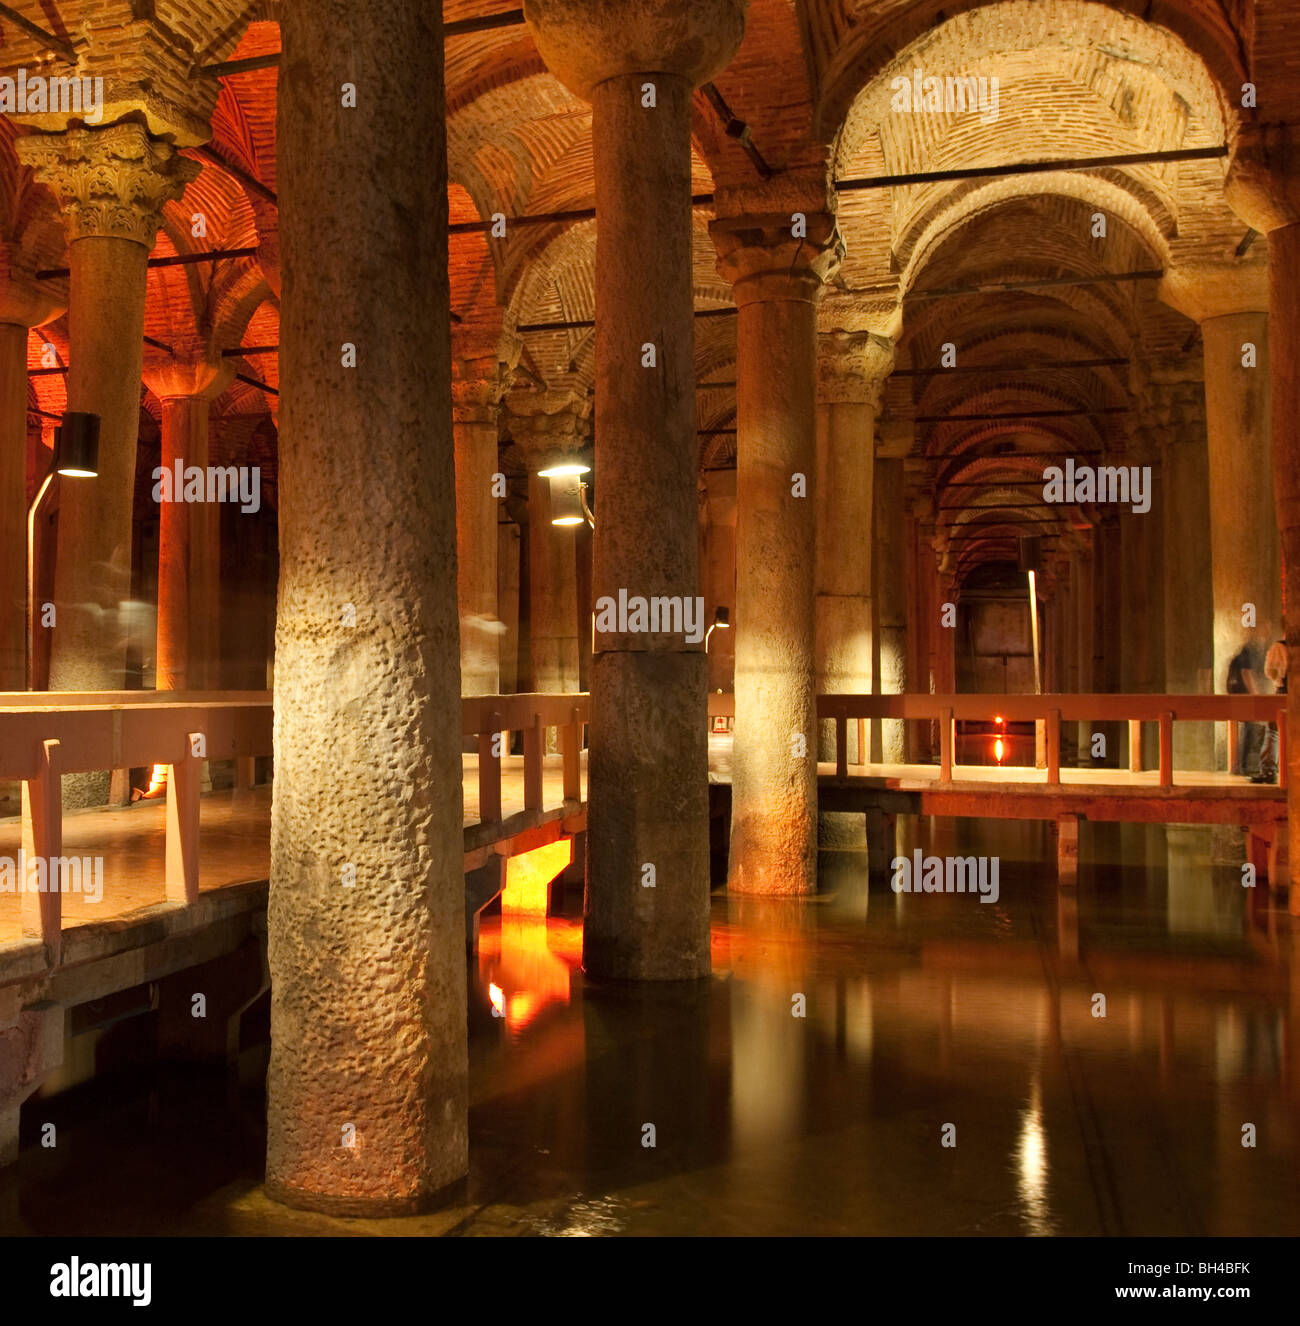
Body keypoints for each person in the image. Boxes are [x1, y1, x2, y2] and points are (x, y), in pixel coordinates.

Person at [1254, 638, 1288, 784]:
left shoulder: (1280, 647)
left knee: (1273, 730)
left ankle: (1268, 770)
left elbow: (1271, 672)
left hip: (1284, 691)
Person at [1227, 642, 1262, 777]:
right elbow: (1246, 673)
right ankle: (1242, 765)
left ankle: (1240, 765)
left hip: (1238, 698)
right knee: (1249, 730)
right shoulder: (1246, 656)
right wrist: (1255, 695)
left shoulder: (1238, 658)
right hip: (1246, 699)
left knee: (1247, 730)